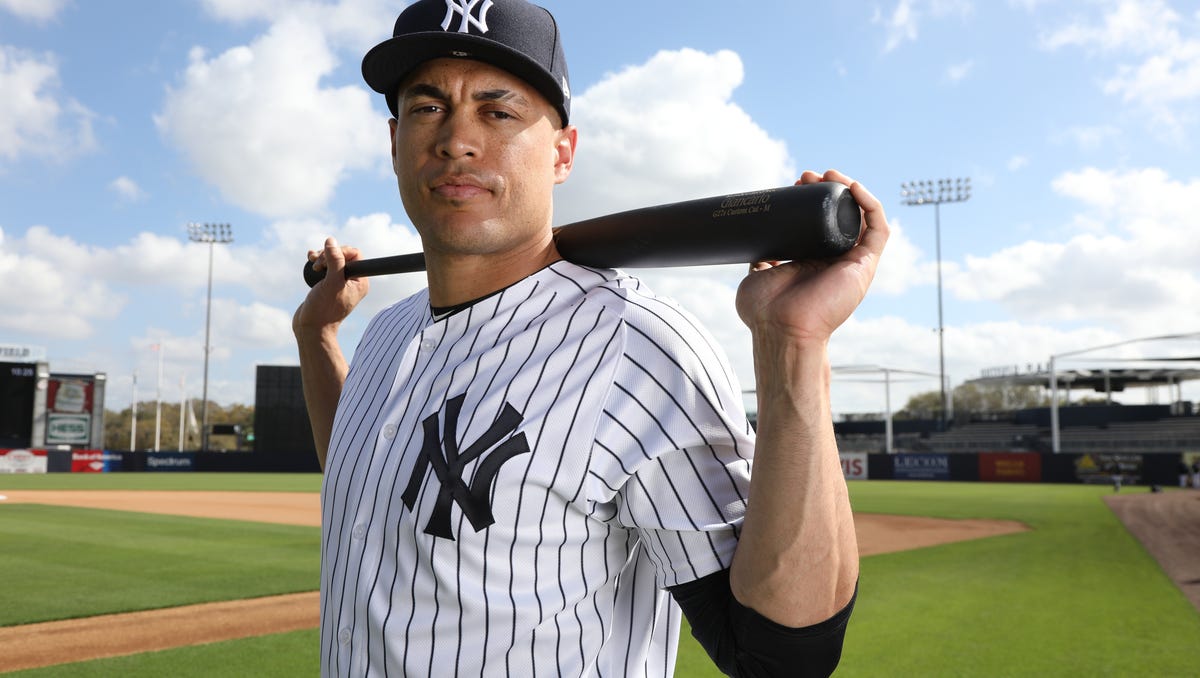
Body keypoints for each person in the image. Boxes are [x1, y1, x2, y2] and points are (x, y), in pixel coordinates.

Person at [293, 1, 888, 676]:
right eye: (429, 108)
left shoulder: (636, 348)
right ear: (395, 141)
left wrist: (794, 343)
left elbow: (780, 653)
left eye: (499, 112)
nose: (457, 139)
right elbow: (361, 469)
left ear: (563, 153)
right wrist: (318, 335)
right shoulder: (387, 332)